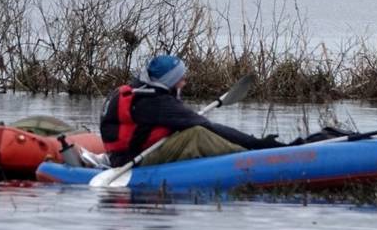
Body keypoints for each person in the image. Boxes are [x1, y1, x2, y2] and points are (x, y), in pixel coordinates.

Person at [99, 55, 284, 167]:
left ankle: (249, 152)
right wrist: (255, 142)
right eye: (181, 77)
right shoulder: (155, 102)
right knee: (197, 134)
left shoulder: (136, 91)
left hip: (125, 154)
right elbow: (207, 126)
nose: (185, 81)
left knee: (193, 130)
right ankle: (251, 159)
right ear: (169, 80)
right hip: (133, 160)